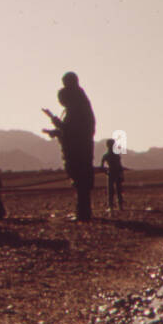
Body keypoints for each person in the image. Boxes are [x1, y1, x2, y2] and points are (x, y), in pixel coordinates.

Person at [42, 71, 95, 221]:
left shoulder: (76, 106)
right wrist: (56, 131)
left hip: (78, 149)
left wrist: (53, 119)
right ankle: (84, 211)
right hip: (82, 146)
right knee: (81, 179)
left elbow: (70, 129)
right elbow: (69, 129)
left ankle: (83, 213)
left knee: (80, 179)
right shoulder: (81, 102)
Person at [100, 137, 124, 212]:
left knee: (111, 191)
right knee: (118, 190)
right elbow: (120, 166)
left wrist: (106, 172)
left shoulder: (106, 155)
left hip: (110, 173)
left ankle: (111, 207)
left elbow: (102, 167)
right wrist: (122, 175)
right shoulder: (116, 155)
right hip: (117, 173)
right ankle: (120, 206)